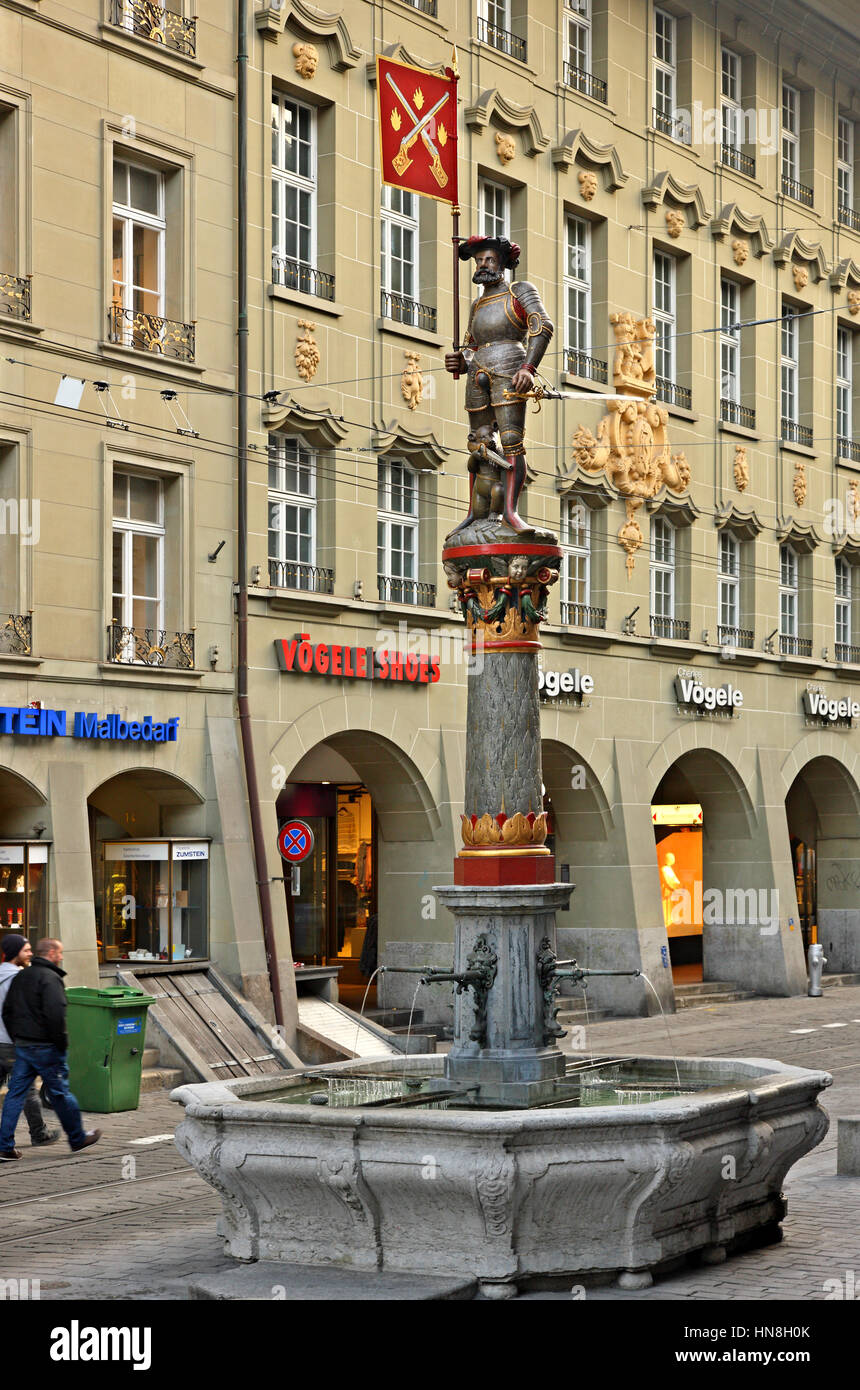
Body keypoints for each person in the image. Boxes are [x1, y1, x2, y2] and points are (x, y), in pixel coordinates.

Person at [445, 235, 553, 532]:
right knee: (479, 442)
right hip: (477, 372)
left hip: (508, 366)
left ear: (502, 263)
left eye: (489, 259)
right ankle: (475, 512)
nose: (483, 264)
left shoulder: (519, 291)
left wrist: (529, 368)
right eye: (479, 260)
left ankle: (510, 512)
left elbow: (542, 326)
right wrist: (461, 360)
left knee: (510, 442)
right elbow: (471, 344)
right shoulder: (477, 304)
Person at [0, 938, 101, 1160]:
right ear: (52, 953)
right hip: (45, 1047)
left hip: (24, 1046)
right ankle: (77, 1138)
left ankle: (5, 1145)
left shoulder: (23, 975)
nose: (62, 957)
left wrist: (17, 1036)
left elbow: (7, 1011)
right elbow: (56, 1015)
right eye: (60, 953)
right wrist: (60, 1043)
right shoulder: (50, 978)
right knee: (59, 1092)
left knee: (15, 1095)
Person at [0, 934, 59, 1149]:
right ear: (15, 952)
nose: (31, 954)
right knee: (26, 1091)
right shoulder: (23, 978)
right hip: (13, 1043)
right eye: (26, 950)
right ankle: (39, 1133)